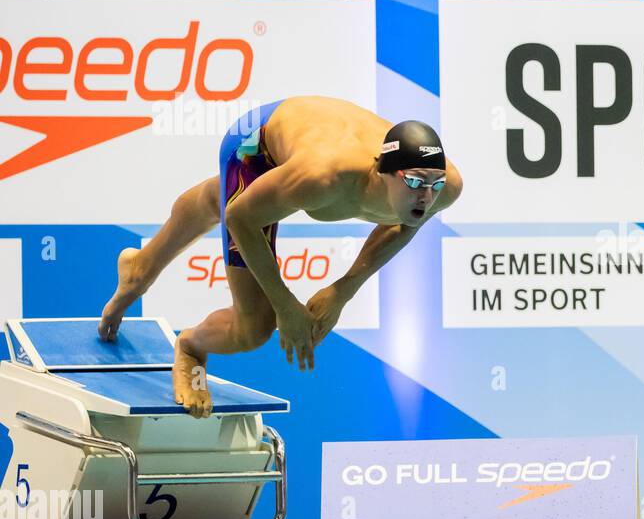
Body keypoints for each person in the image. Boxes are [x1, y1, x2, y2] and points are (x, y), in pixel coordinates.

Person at [98, 96, 463, 417]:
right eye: (414, 182)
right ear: (382, 172)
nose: (425, 197)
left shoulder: (445, 188)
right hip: (257, 143)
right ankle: (191, 345)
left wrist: (343, 291)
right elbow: (241, 218)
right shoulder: (324, 177)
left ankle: (142, 264)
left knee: (227, 197)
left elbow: (403, 225)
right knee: (255, 326)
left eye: (434, 184)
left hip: (311, 134)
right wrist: (286, 306)